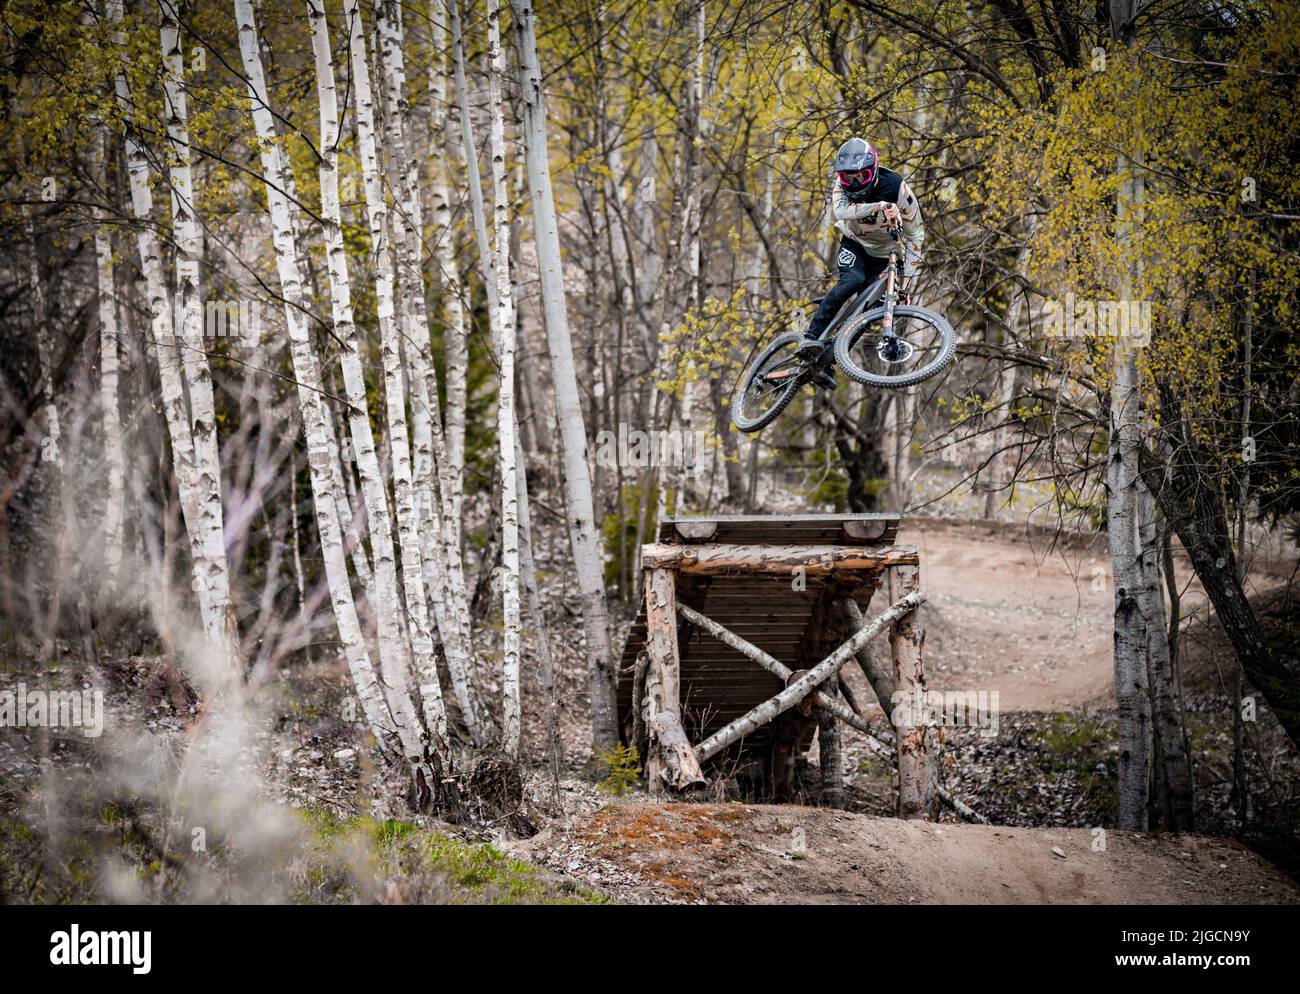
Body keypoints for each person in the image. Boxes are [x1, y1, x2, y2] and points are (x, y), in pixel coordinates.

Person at [797, 137, 926, 389]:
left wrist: (906, 284)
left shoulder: (897, 188)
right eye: (848, 178)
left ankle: (830, 361)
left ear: (874, 169)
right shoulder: (840, 186)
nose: (854, 183)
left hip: (884, 258)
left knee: (868, 312)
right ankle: (810, 337)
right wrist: (880, 206)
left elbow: (916, 237)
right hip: (855, 245)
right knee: (852, 280)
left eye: (861, 176)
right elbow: (842, 212)